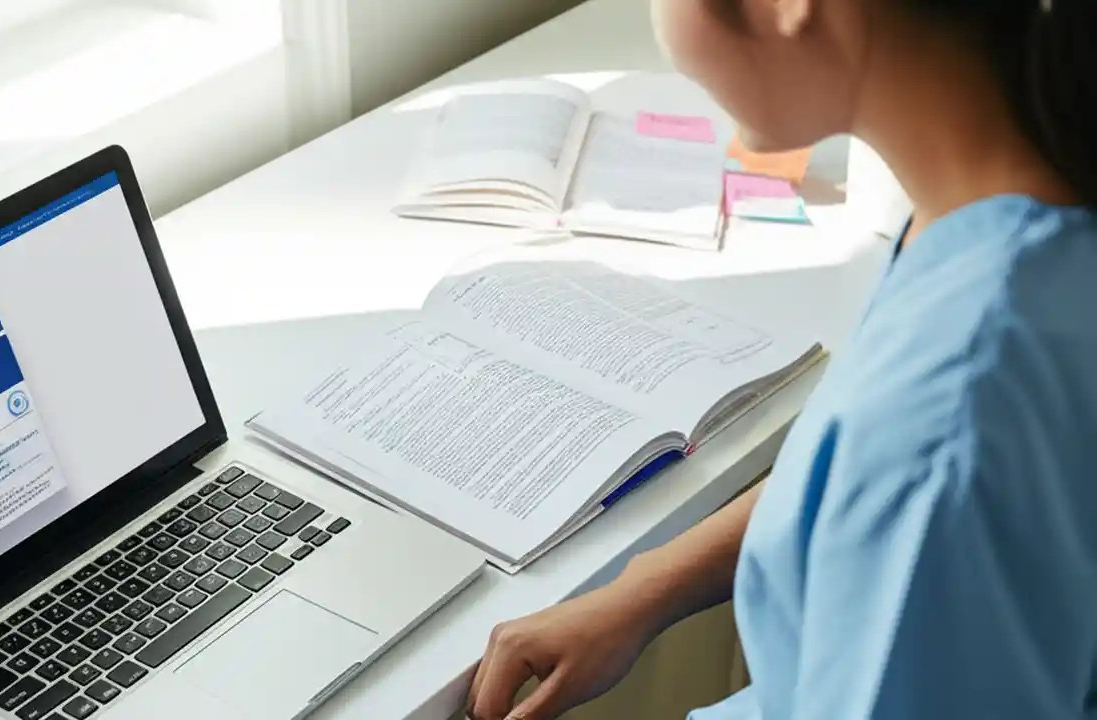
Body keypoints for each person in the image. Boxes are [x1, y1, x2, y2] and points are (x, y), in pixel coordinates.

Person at [466, 1, 1097, 718]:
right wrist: (642, 589)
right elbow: (868, 486)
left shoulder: (952, 402)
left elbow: (917, 468)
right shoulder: (1001, 206)